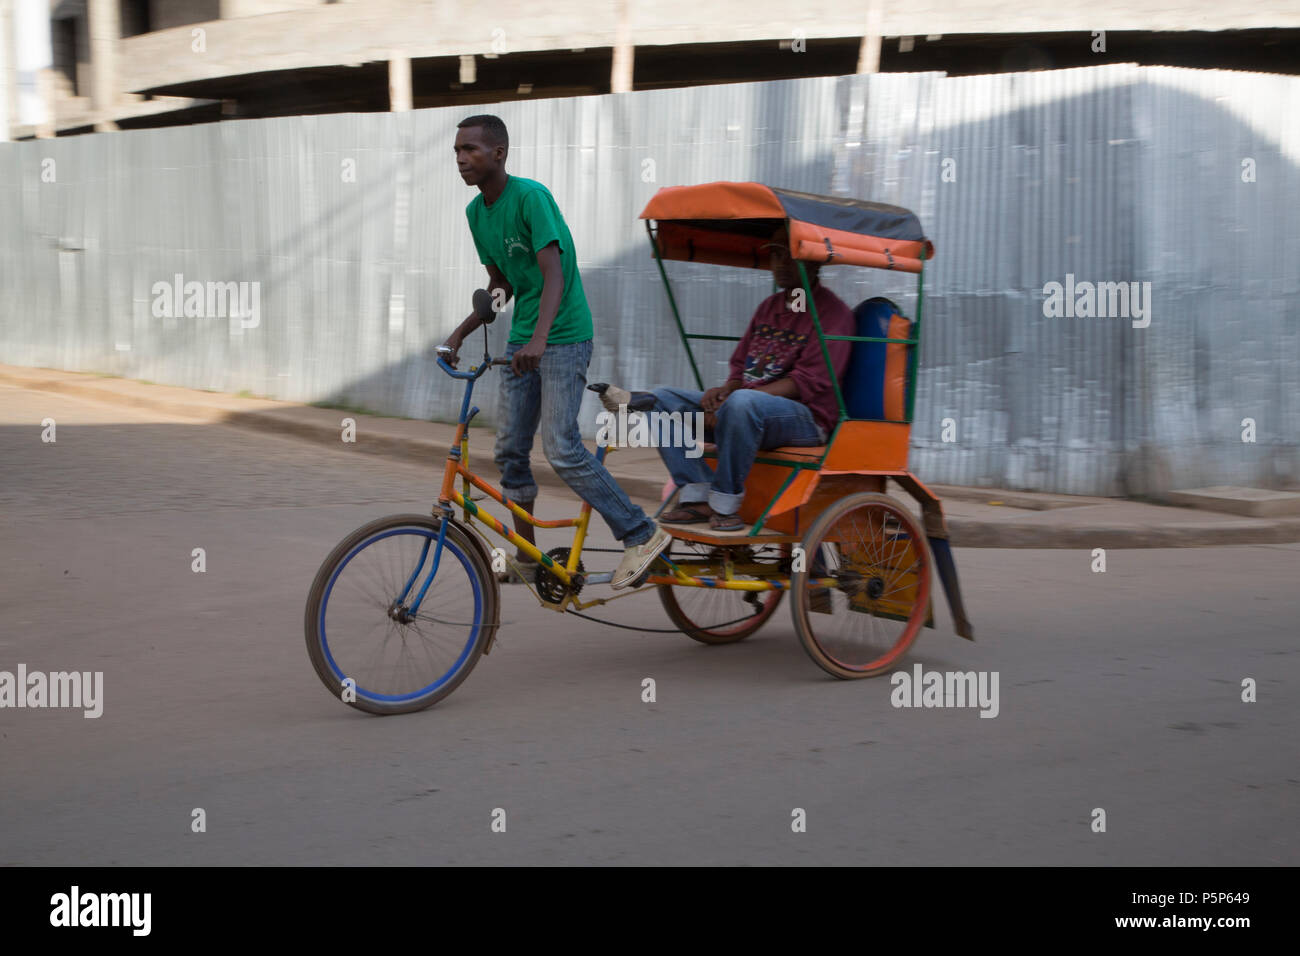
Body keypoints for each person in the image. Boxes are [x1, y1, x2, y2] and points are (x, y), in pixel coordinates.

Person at [441, 114, 669, 589]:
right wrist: (460, 333)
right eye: (458, 150)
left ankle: (641, 532)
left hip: (563, 334)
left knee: (561, 448)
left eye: (471, 150)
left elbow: (554, 275)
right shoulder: (475, 214)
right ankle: (528, 556)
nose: (461, 158)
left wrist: (541, 340)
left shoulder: (531, 198)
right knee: (509, 451)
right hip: (526, 337)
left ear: (498, 153)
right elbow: (501, 287)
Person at [635, 234, 854, 531]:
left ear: (813, 262)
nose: (781, 264)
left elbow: (807, 382)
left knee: (742, 404)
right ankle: (698, 490)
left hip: (805, 419)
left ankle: (725, 504)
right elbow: (741, 369)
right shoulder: (770, 307)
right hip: (746, 409)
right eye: (776, 255)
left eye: (791, 255)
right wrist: (723, 393)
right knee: (656, 399)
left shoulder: (833, 314)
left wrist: (734, 401)